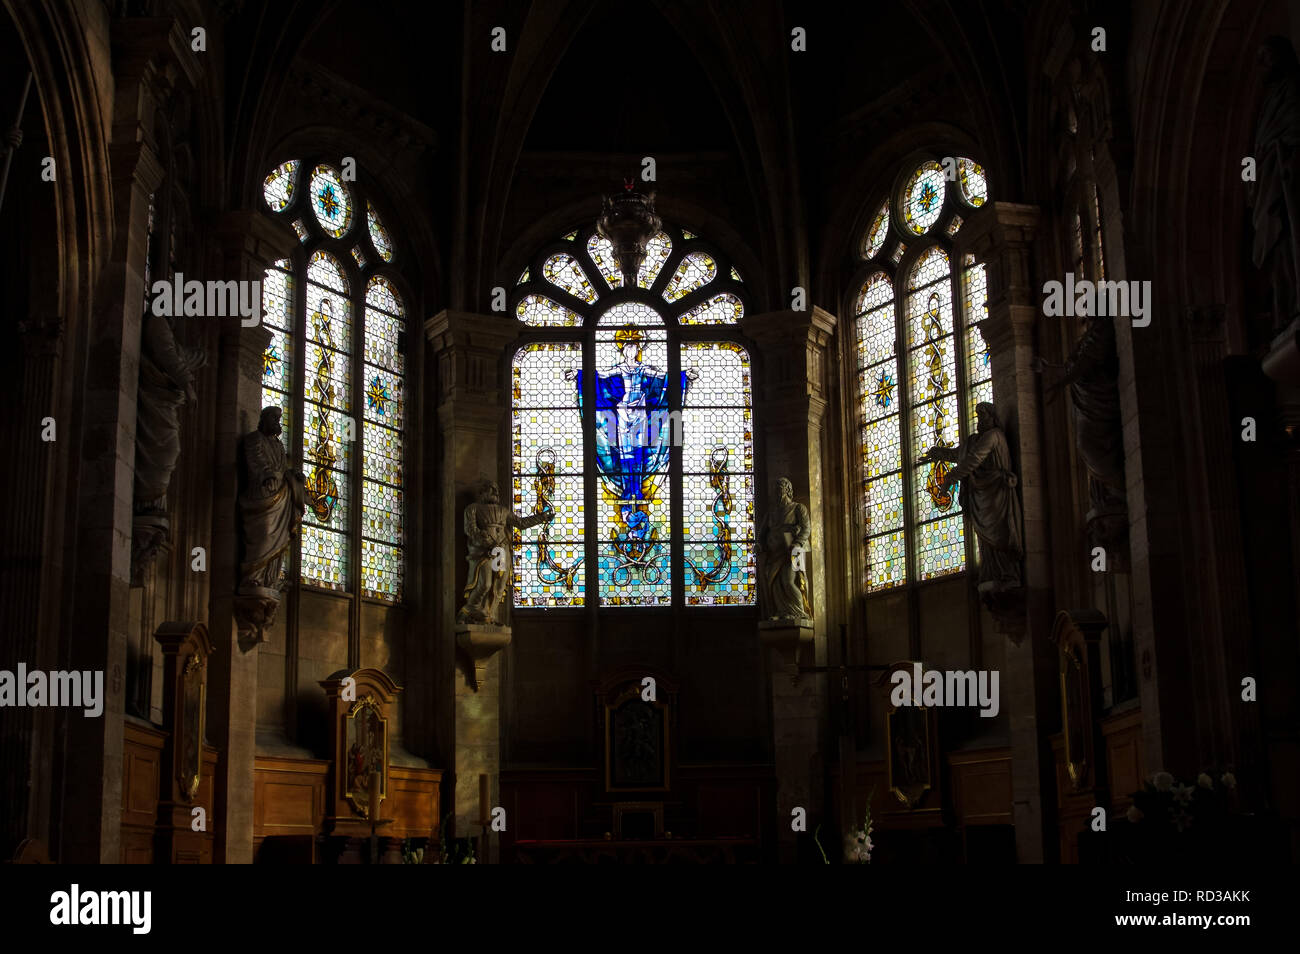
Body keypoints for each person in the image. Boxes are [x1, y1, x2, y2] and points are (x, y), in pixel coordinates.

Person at [920, 403, 1022, 591]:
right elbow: (959, 454)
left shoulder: (993, 436)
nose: (980, 420)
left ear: (992, 418)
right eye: (978, 417)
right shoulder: (976, 440)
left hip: (995, 495)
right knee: (986, 541)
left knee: (998, 535)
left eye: (983, 416)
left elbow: (973, 459)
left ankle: (1006, 573)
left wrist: (949, 478)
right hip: (982, 496)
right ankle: (992, 572)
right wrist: (938, 452)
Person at [457, 480, 552, 625]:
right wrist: (484, 540)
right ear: (482, 492)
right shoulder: (473, 509)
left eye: (496, 490)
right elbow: (470, 529)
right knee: (485, 584)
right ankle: (469, 610)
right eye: (491, 489)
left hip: (501, 550)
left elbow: (520, 523)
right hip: (484, 551)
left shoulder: (503, 510)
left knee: (499, 585)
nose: (495, 493)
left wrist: (541, 518)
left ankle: (489, 614)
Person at [238, 407, 305, 593]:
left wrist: (294, 476)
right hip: (261, 495)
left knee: (279, 539)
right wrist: (266, 474)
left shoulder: (278, 445)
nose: (277, 422)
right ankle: (253, 577)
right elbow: (256, 460)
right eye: (274, 418)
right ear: (264, 419)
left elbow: (283, 469)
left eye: (278, 419)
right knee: (264, 535)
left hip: (281, 497)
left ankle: (270, 579)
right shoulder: (253, 439)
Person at [756, 477, 813, 621]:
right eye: (775, 489)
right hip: (774, 553)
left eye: (780, 488)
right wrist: (759, 545)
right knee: (775, 583)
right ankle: (782, 613)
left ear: (787, 490)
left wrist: (797, 543)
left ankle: (799, 612)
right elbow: (762, 534)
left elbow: (806, 529)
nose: (777, 492)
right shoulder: (771, 513)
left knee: (788, 581)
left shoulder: (798, 508)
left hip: (793, 551)